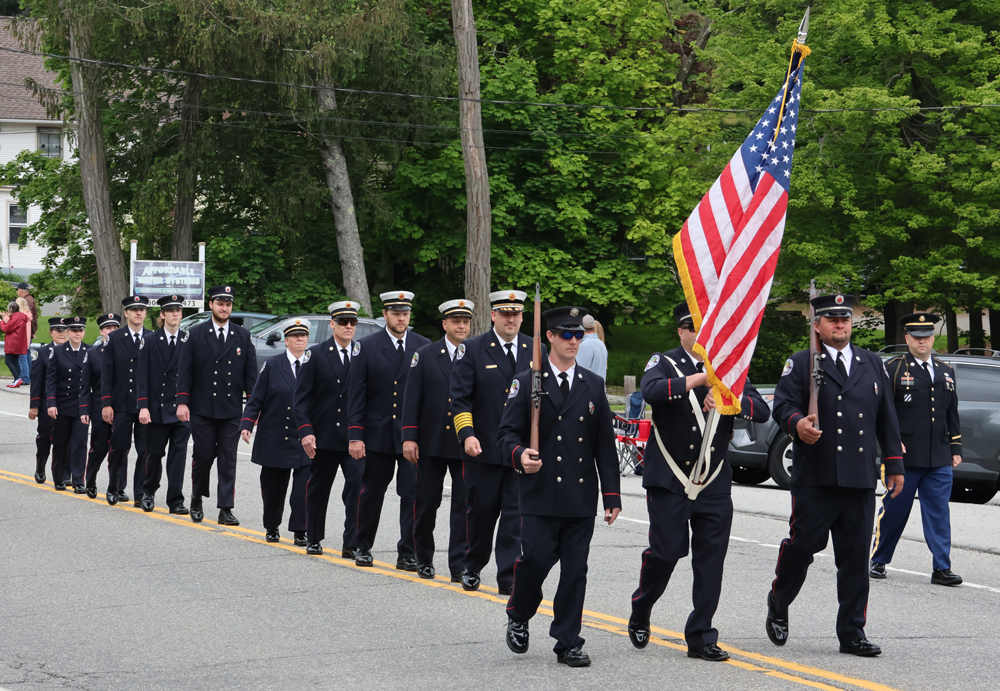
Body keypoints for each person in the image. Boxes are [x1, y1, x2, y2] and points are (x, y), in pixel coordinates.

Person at [627, 302, 769, 662]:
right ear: (682, 331)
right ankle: (642, 607)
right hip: (670, 481)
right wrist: (701, 379)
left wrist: (729, 398)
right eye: (693, 329)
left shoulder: (730, 370)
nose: (700, 336)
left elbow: (762, 410)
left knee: (711, 560)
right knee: (666, 553)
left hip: (713, 482)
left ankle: (701, 635)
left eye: (707, 329)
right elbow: (652, 391)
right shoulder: (665, 361)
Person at [768, 293, 904, 657]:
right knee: (802, 547)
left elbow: (886, 417)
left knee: (856, 557)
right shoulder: (801, 363)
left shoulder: (871, 362)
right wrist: (798, 425)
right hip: (816, 476)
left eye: (845, 318)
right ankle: (779, 602)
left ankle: (852, 633)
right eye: (831, 319)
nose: (840, 325)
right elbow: (783, 406)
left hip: (858, 478)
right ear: (817, 325)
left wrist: (894, 462)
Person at [497, 306, 621, 668]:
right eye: (566, 334)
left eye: (579, 334)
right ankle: (519, 613)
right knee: (534, 561)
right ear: (549, 337)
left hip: (579, 497)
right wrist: (520, 454)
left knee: (575, 571)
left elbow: (604, 445)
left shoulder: (592, 383)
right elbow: (505, 434)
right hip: (539, 493)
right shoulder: (528, 380)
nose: (574, 341)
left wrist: (611, 495)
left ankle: (567, 641)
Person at [450, 290, 544, 594]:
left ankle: (509, 576)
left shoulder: (536, 349)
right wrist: (467, 435)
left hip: (518, 452)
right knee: (480, 514)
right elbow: (460, 399)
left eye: (516, 314)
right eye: (505, 314)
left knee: (515, 519)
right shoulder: (474, 349)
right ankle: (472, 565)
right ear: (493, 316)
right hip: (484, 449)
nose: (512, 320)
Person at [871, 312, 963, 586]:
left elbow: (952, 413)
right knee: (895, 509)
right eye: (916, 337)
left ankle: (941, 568)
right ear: (907, 338)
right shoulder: (894, 368)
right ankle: (878, 559)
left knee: (938, 513)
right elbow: (880, 409)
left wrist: (955, 447)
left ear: (933, 338)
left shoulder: (946, 370)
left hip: (938, 455)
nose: (922, 341)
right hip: (904, 456)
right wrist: (889, 442)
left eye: (927, 336)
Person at [348, 291, 431, 569]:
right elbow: (356, 395)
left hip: (410, 437)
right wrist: (355, 435)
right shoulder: (367, 346)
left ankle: (407, 552)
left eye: (405, 313)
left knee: (412, 495)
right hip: (377, 434)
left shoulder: (423, 346)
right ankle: (362, 546)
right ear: (385, 315)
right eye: (395, 313)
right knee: (371, 492)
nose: (401, 318)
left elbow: (428, 395)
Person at [401, 299, 472, 581]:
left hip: (464, 442)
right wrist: (409, 436)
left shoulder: (476, 354)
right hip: (430, 442)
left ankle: (460, 564)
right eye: (456, 321)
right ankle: (424, 558)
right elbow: (412, 398)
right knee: (427, 502)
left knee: (464, 506)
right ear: (445, 324)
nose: (461, 326)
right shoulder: (426, 354)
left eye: (465, 321)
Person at [177, 285, 258, 525]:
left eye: (228, 304)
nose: (224, 308)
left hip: (231, 409)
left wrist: (252, 411)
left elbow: (250, 375)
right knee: (202, 456)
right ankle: (196, 498)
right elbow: (185, 372)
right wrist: (182, 402)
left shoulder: (242, 335)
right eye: (220, 304)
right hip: (202, 408)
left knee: (228, 459)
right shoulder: (196, 333)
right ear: (211, 305)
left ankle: (225, 508)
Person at [294, 301, 362, 557]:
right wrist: (305, 431)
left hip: (353, 437)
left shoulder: (361, 353)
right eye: (343, 322)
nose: (348, 326)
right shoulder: (317, 354)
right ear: (332, 324)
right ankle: (313, 537)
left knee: (356, 487)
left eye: (352, 322)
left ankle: (351, 543)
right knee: (319, 488)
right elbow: (301, 398)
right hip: (323, 435)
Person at [240, 319, 312, 544]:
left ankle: (301, 529)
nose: (300, 339)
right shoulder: (272, 364)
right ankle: (272, 526)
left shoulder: (314, 364)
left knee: (304, 489)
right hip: (275, 435)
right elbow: (257, 397)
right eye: (295, 336)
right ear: (287, 341)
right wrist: (247, 423)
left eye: (303, 336)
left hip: (305, 438)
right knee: (274, 488)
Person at [137, 295, 191, 514]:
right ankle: (148, 492)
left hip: (181, 408)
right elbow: (142, 376)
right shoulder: (150, 340)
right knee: (154, 454)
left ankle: (176, 500)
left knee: (178, 457)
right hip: (157, 409)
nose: (175, 314)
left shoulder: (189, 339)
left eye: (178, 310)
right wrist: (143, 406)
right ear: (162, 315)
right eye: (170, 310)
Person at [102, 295, 153, 505]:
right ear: (126, 313)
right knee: (119, 447)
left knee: (145, 451)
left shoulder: (152, 338)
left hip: (145, 406)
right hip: (121, 403)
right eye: (134, 309)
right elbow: (107, 373)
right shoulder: (114, 338)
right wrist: (106, 402)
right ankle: (115, 485)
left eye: (141, 309)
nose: (138, 313)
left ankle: (140, 492)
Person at [45, 316, 90, 492]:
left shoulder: (90, 351)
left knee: (80, 443)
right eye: (74, 330)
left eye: (80, 330)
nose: (78, 334)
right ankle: (59, 477)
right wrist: (51, 403)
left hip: (82, 405)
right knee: (60, 442)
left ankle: (78, 480)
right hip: (62, 404)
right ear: (68, 332)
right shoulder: (58, 351)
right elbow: (51, 380)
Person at [80, 313, 120, 499]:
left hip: (121, 407)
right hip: (98, 408)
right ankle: (91, 478)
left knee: (120, 448)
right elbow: (85, 385)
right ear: (101, 331)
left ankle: (117, 486)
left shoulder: (125, 352)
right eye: (108, 328)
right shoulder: (93, 354)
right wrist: (84, 409)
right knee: (100, 447)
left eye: (115, 328)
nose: (111, 331)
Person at [29, 317, 66, 484]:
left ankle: (63, 473)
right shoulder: (43, 352)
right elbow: (36, 380)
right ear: (51, 332)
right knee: (45, 438)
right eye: (58, 330)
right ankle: (40, 466)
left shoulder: (73, 351)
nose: (62, 334)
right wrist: (34, 405)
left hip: (67, 403)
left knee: (65, 439)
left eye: (65, 330)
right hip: (46, 403)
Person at [1, 299, 30, 387]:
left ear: (10, 310)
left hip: (13, 342)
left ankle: (18, 378)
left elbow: (6, 329)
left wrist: (2, 322)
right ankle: (16, 380)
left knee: (8, 361)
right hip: (19, 342)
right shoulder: (20, 317)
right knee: (15, 361)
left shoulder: (15, 318)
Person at [575, 314, 608, 383]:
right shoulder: (601, 344)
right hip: (599, 388)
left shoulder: (585, 345)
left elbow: (579, 373)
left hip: (589, 390)